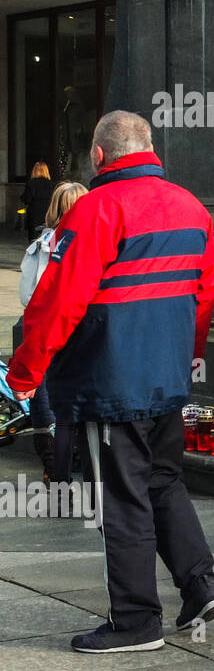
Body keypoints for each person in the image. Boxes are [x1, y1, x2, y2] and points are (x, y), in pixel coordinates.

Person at [8, 112, 214, 653]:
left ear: (100, 157)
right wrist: (185, 359)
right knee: (164, 481)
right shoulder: (191, 207)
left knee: (121, 499)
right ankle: (199, 587)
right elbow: (203, 295)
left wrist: (24, 374)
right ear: (149, 146)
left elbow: (57, 302)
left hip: (112, 381)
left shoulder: (95, 211)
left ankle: (134, 621)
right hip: (165, 378)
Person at [19, 181, 88, 483]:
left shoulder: (40, 245)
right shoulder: (91, 243)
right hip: (81, 335)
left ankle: (55, 472)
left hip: (45, 333)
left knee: (49, 408)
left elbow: (26, 296)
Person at [19, 162, 53, 242]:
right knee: (47, 233)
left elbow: (27, 199)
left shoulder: (31, 183)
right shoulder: (51, 183)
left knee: (33, 235)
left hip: (34, 211)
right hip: (48, 210)